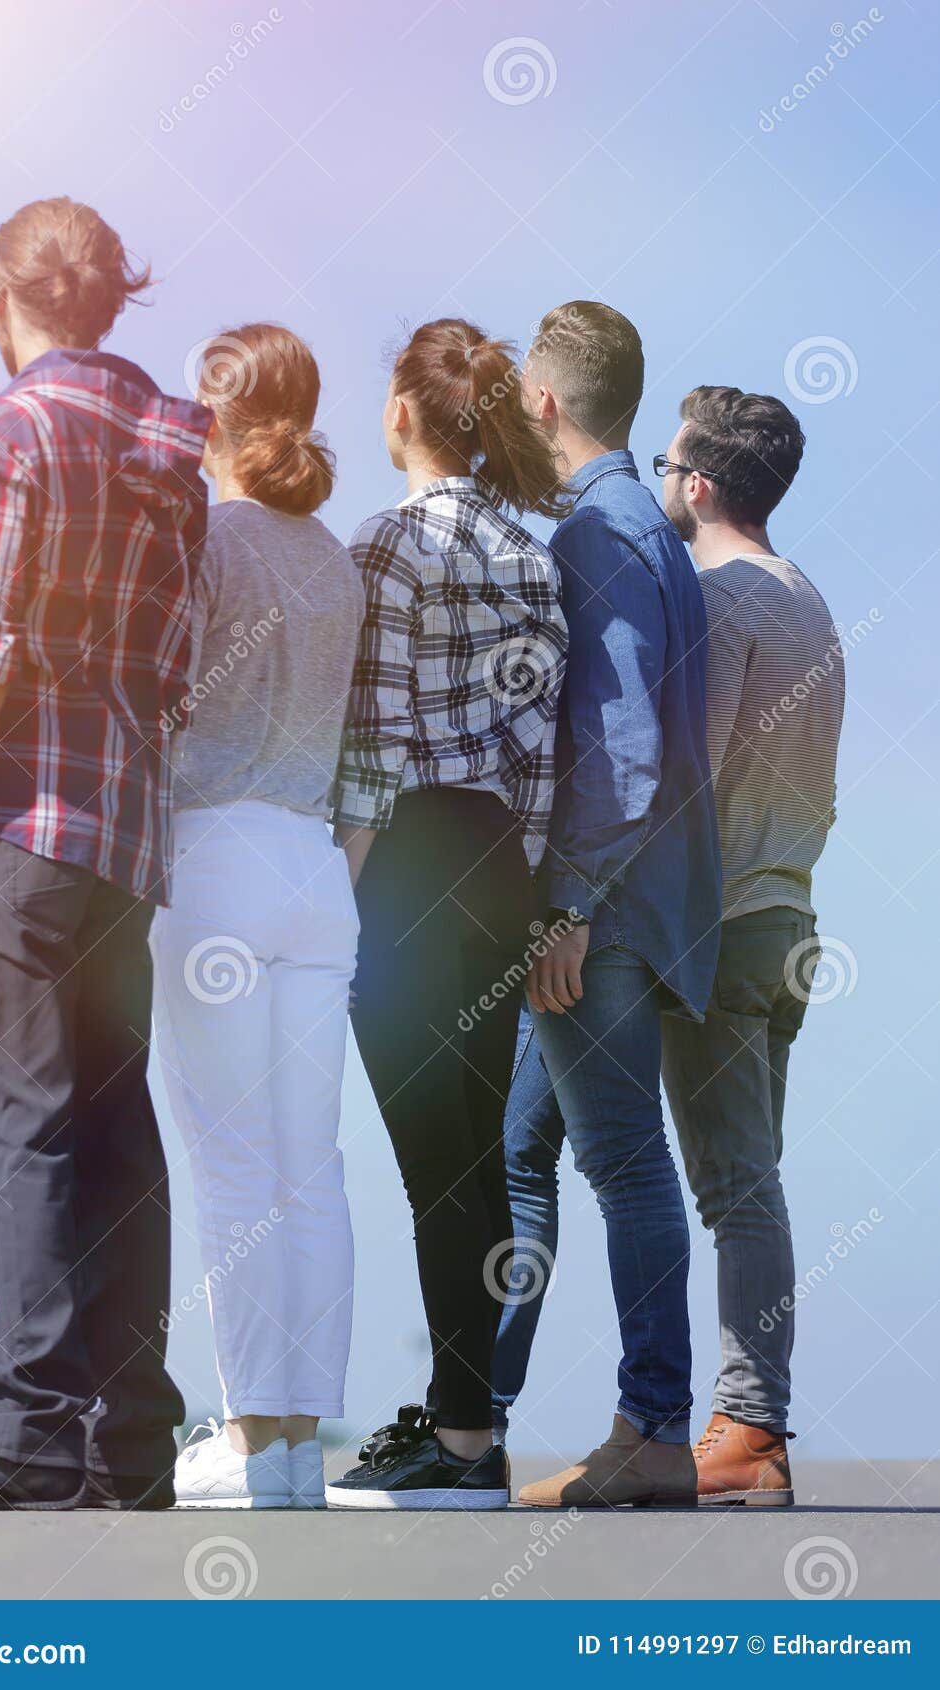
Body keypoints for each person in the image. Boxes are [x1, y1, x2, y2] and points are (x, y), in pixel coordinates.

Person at [0, 198, 209, 1512]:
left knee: (16, 1125)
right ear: (116, 296)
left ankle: (32, 1435)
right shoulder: (178, 444)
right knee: (116, 1129)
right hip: (126, 836)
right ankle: (127, 1444)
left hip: (20, 830)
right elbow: (179, 664)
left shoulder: (2, 433)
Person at [325, 318, 569, 1510]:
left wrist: (341, 899)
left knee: (436, 1171)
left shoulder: (381, 543)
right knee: (472, 1161)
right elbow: (542, 760)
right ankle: (470, 1427)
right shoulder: (535, 554)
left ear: (404, 414)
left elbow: (367, 746)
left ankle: (464, 1443)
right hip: (500, 869)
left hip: (411, 859)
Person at [502, 302, 722, 1512]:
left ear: (544, 400)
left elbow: (625, 742)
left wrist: (569, 903)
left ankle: (652, 1429)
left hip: (608, 914)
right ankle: (471, 1421)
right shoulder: (653, 529)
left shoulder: (599, 531)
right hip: (644, 901)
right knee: (522, 1151)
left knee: (626, 1165)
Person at [151, 324, 365, 1510]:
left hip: (217, 852)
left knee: (233, 1168)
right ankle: (293, 1449)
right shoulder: (334, 558)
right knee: (309, 1171)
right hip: (313, 868)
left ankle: (244, 1438)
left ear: (216, 417)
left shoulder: (206, 535)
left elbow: (164, 695)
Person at [658, 386, 843, 1507]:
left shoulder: (721, 594)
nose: (661, 480)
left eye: (667, 462)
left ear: (701, 483)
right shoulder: (804, 594)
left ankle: (750, 1430)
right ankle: (747, 1421)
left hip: (723, 928)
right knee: (749, 1179)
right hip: (788, 920)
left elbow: (692, 772)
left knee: (735, 1186)